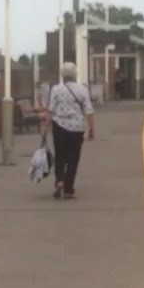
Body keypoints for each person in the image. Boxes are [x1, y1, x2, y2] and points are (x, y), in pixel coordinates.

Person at [43, 62, 94, 200]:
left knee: (60, 156)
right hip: (77, 128)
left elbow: (50, 109)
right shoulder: (82, 89)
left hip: (59, 127)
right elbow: (89, 110)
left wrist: (46, 127)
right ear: (75, 74)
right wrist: (91, 129)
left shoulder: (56, 89)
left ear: (62, 75)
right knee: (73, 159)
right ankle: (68, 189)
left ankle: (59, 180)